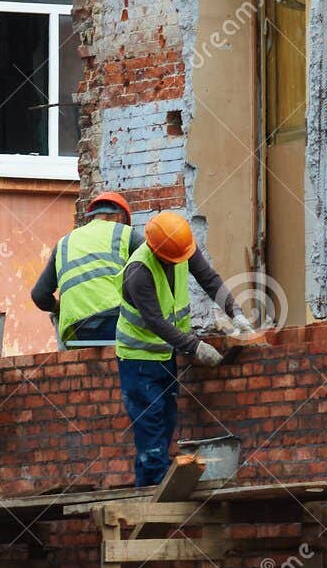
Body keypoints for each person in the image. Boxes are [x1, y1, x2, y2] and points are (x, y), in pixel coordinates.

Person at [116, 211, 253, 485]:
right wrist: (196, 347)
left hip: (164, 356)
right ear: (158, 251)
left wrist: (234, 311)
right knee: (151, 429)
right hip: (137, 361)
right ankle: (154, 497)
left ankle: (152, 491)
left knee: (166, 420)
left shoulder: (180, 247)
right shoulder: (138, 272)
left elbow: (209, 280)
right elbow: (155, 321)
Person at [31, 190, 134, 346]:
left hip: (77, 331)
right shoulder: (123, 232)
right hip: (116, 322)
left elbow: (39, 295)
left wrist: (59, 307)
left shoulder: (63, 244)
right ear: (120, 217)